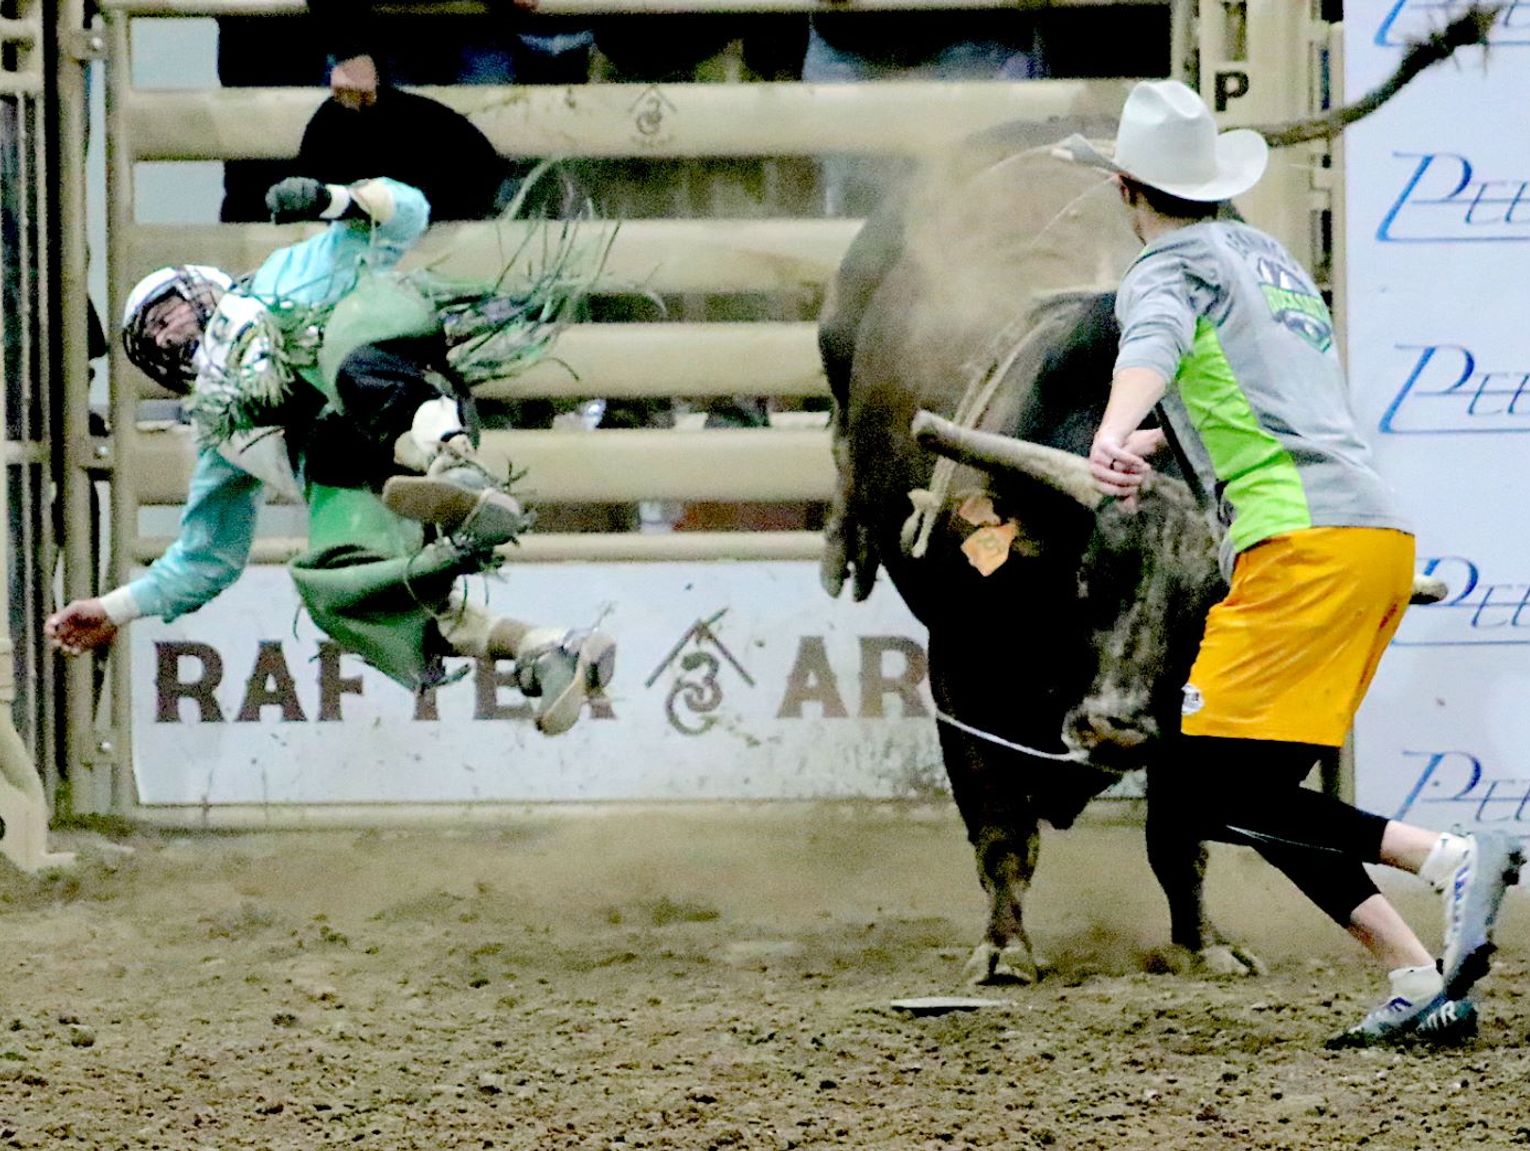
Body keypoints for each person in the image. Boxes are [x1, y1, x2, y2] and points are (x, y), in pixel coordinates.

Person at [1070, 80, 1521, 1048]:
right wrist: (1165, 439)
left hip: (1297, 542)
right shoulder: (1264, 257)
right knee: (1255, 797)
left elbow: (1151, 344)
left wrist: (1114, 428)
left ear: (1124, 186)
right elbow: (1257, 388)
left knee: (1209, 793)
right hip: (1373, 539)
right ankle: (1415, 978)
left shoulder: (1163, 267)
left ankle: (1445, 855)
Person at [46, 175, 614, 736]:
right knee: (343, 591)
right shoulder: (222, 434)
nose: (170, 332)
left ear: (206, 286)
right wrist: (115, 608)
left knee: (349, 354)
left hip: (394, 368)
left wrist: (333, 199)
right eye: (155, 335)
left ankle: (447, 459)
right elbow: (206, 556)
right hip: (359, 475)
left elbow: (406, 214)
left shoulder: (283, 278)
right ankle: (549, 647)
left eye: (170, 310)